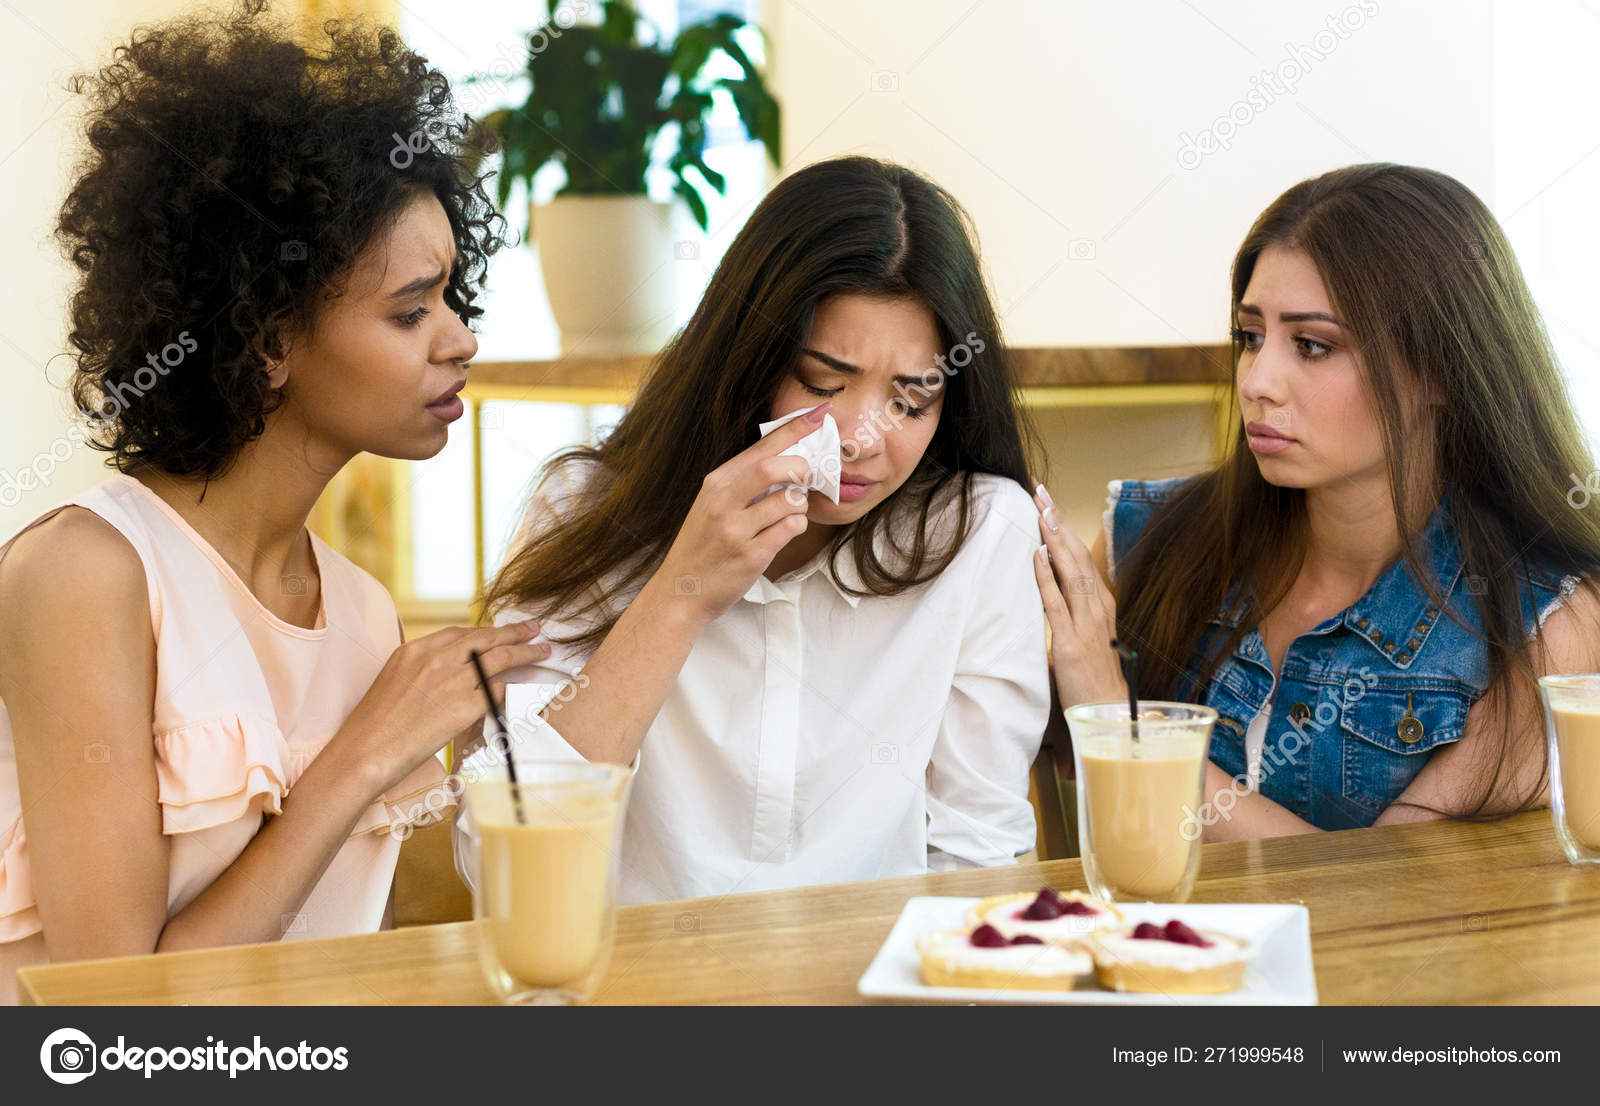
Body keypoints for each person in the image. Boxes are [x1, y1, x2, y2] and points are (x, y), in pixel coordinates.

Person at [0, 5, 544, 1003]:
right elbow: (113, 1012)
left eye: (453, 298)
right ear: (267, 337)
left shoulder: (364, 613)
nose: (459, 339)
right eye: (410, 310)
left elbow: (330, 976)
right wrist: (370, 747)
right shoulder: (84, 577)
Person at [455, 156, 1052, 902]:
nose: (864, 439)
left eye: (913, 398)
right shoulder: (583, 508)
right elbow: (511, 873)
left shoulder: (980, 533)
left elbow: (981, 865)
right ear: (747, 361)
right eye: (825, 384)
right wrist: (680, 594)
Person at [1032, 163, 1600, 837]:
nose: (1258, 380)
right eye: (1250, 337)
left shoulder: (1546, 625)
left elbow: (1378, 898)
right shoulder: (1141, 537)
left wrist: (1121, 727)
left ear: (1441, 370)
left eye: (1312, 345)